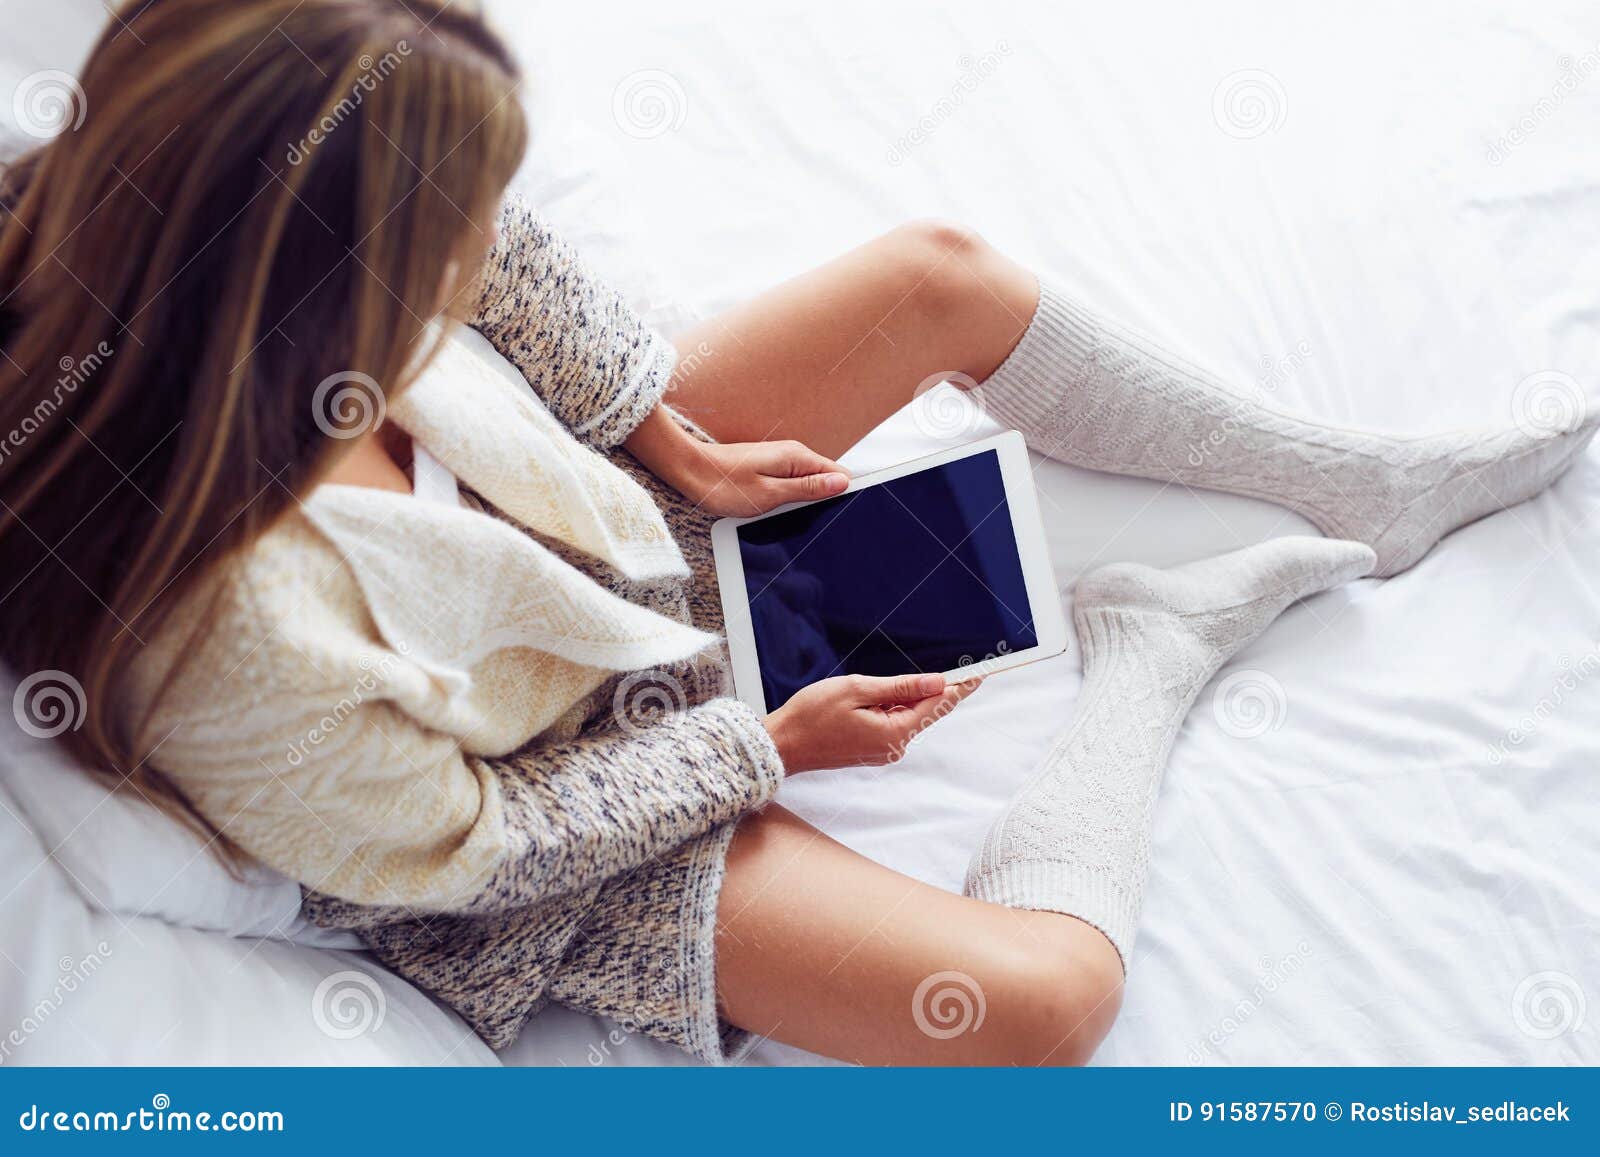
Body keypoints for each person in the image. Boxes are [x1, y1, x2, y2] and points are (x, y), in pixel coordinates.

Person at [0, 0, 1591, 1065]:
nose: (484, 243)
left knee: (938, 277)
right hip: (529, 814)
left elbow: (468, 225)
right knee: (1039, 1005)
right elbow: (482, 844)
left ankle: (1354, 481)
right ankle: (1160, 643)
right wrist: (763, 747)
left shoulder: (160, 190)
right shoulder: (243, 642)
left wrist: (645, 414)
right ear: (311, 296)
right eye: (444, 236)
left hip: (565, 507)